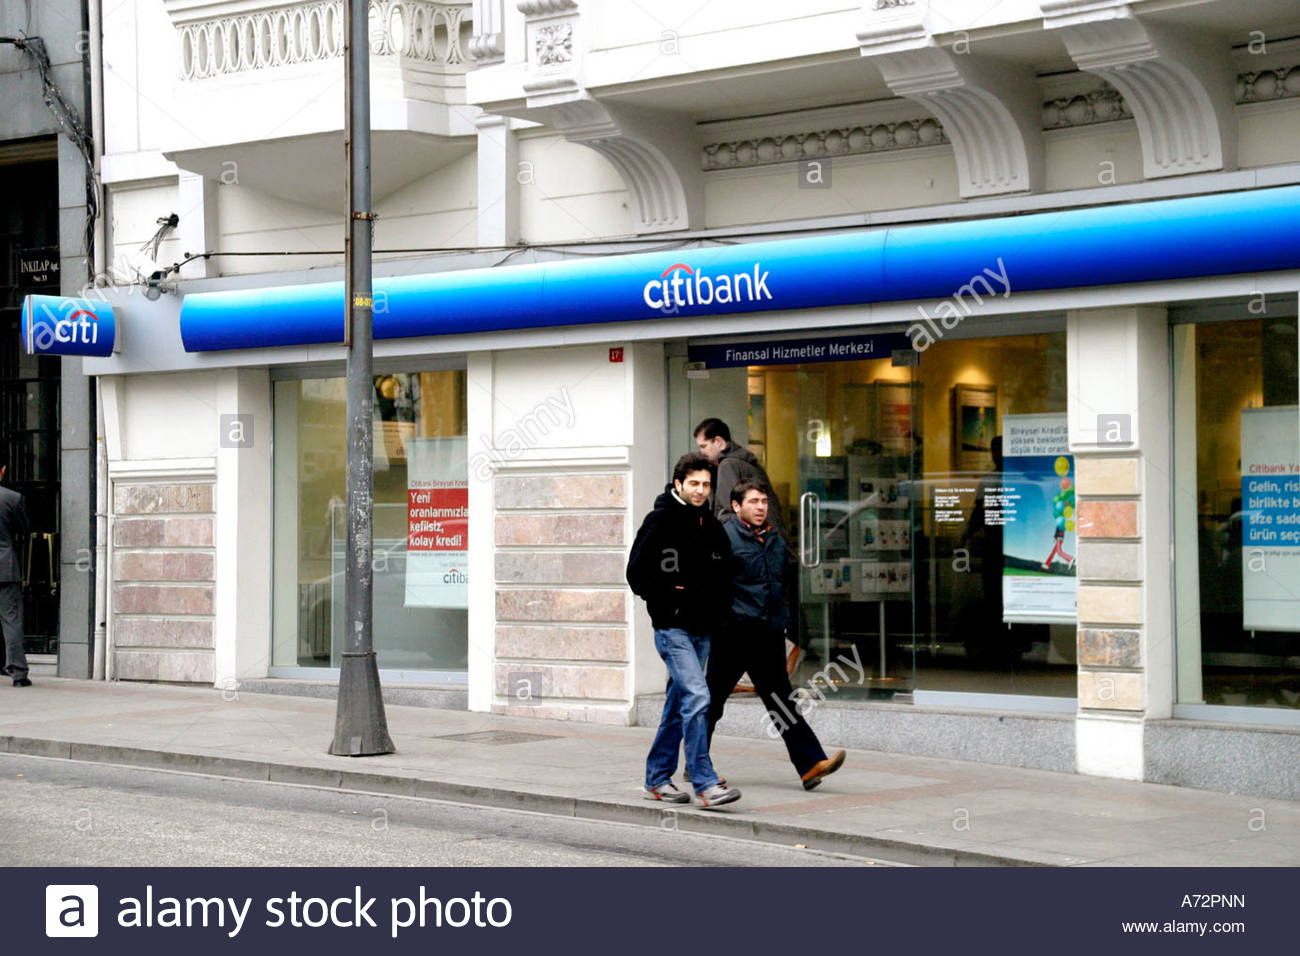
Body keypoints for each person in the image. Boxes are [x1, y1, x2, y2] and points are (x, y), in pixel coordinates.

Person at [707, 480, 844, 790]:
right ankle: (697, 762)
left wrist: (788, 628)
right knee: (712, 702)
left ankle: (810, 765)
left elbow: (783, 586)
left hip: (767, 635)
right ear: (736, 506)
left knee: (782, 702)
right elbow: (713, 587)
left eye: (764, 501)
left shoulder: (775, 539)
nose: (760, 507)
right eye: (753, 501)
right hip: (733, 635)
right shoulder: (724, 537)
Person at [627, 453, 741, 808]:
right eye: (694, 483)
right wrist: (670, 599)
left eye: (706, 485)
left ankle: (657, 778)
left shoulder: (711, 524)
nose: (700, 490)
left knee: (679, 705)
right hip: (672, 628)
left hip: (703, 629)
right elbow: (636, 574)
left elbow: (725, 573)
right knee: (698, 697)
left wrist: (719, 612)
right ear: (678, 484)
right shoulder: (660, 520)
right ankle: (705, 783)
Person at [693, 418, 787, 537]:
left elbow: (730, 511)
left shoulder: (728, 466)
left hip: (751, 544)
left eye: (703, 446)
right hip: (769, 539)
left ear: (718, 441)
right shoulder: (747, 462)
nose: (701, 452)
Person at [0, 459, 30, 687]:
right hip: (5, 566)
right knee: (11, 620)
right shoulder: (12, 498)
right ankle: (18, 673)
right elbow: (24, 528)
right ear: (2, 470)